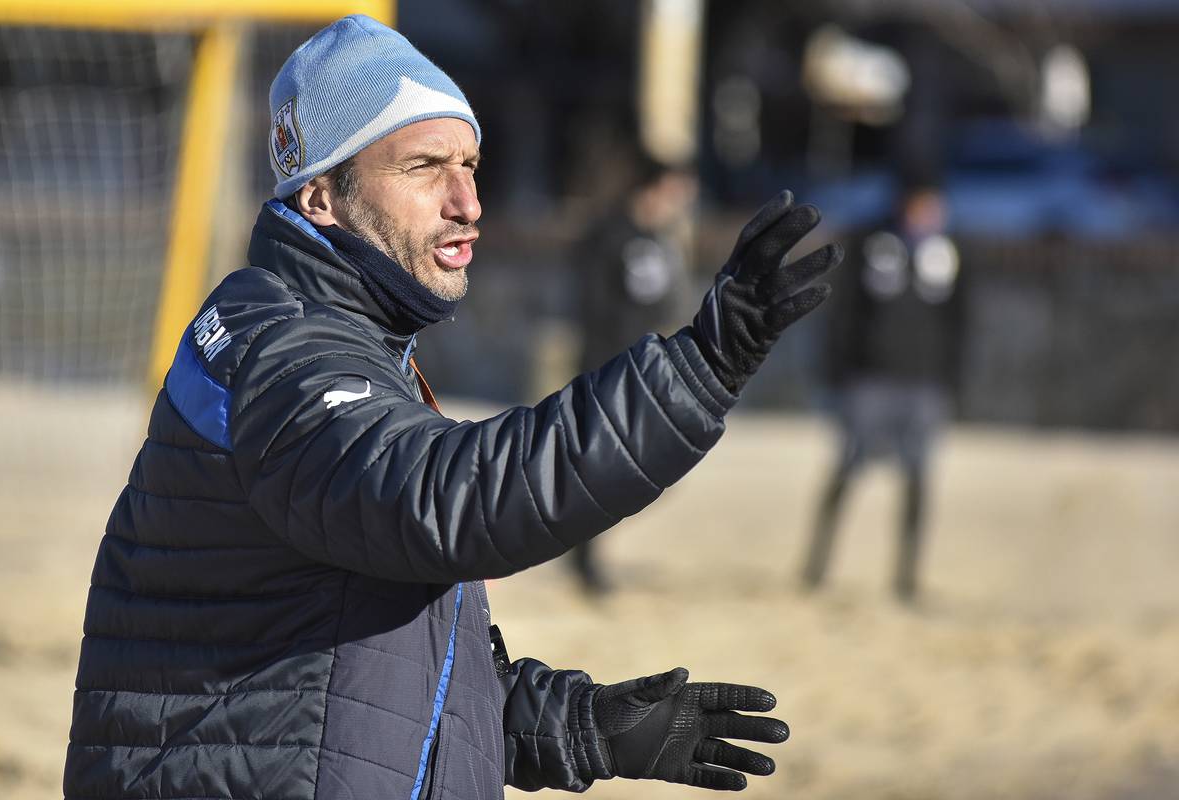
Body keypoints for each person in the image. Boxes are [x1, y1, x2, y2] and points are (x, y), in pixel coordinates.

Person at [63, 16, 841, 800]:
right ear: (323, 193)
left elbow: (353, 674)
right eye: (425, 166)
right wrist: (702, 366)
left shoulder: (342, 339)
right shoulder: (288, 354)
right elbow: (445, 501)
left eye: (470, 163)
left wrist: (579, 727)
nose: (467, 200)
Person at [802, 182, 964, 602]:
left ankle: (907, 575)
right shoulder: (870, 242)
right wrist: (838, 373)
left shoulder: (949, 250)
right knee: (849, 467)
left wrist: (953, 379)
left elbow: (961, 320)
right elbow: (843, 312)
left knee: (917, 477)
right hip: (870, 378)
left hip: (924, 381)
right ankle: (816, 565)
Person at [570, 154, 697, 593]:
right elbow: (592, 303)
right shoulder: (608, 234)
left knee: (648, 466)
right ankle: (583, 555)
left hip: (648, 368)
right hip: (608, 367)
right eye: (678, 190)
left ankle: (583, 545)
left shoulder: (663, 239)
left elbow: (664, 304)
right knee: (601, 464)